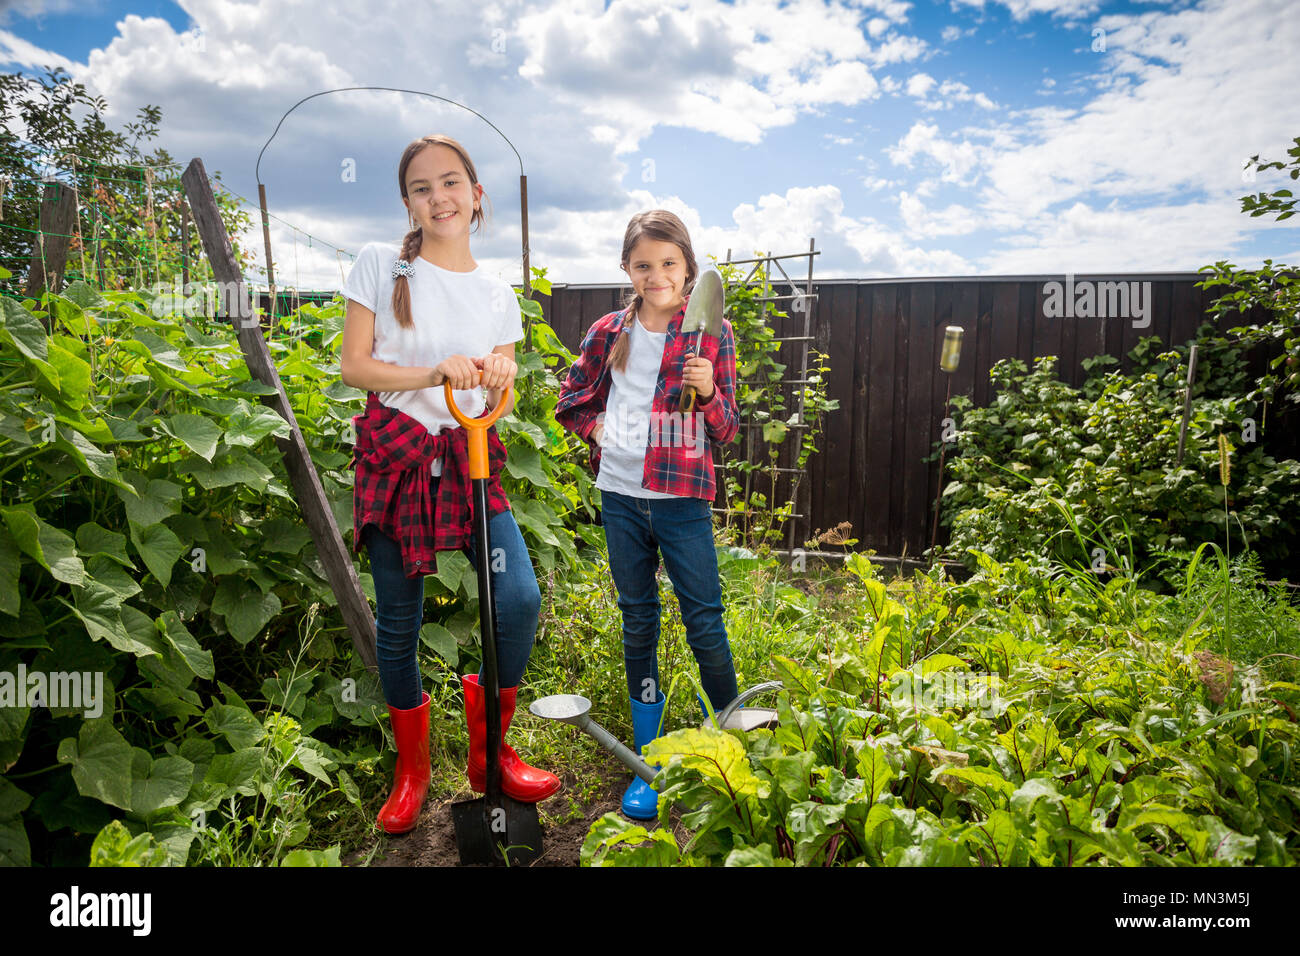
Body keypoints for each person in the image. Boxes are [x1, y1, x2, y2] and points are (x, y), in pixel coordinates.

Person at [340, 134, 559, 835]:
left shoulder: (497, 295)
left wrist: (499, 376)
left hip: (469, 455)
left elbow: (507, 396)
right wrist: (438, 370)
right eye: (422, 188)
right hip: (399, 459)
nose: (438, 197)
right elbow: (356, 368)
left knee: (519, 597)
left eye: (451, 183)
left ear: (476, 194)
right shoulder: (381, 263)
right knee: (400, 623)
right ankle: (412, 773)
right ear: (407, 202)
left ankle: (489, 755)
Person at [554, 209, 740, 820]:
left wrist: (710, 391)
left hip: (683, 500)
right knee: (639, 622)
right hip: (622, 498)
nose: (656, 275)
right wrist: (598, 426)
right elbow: (572, 399)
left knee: (705, 621)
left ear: (688, 268)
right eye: (643, 265)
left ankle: (732, 748)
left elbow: (728, 430)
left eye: (668, 264)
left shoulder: (711, 335)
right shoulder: (609, 330)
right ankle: (649, 758)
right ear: (627, 270)